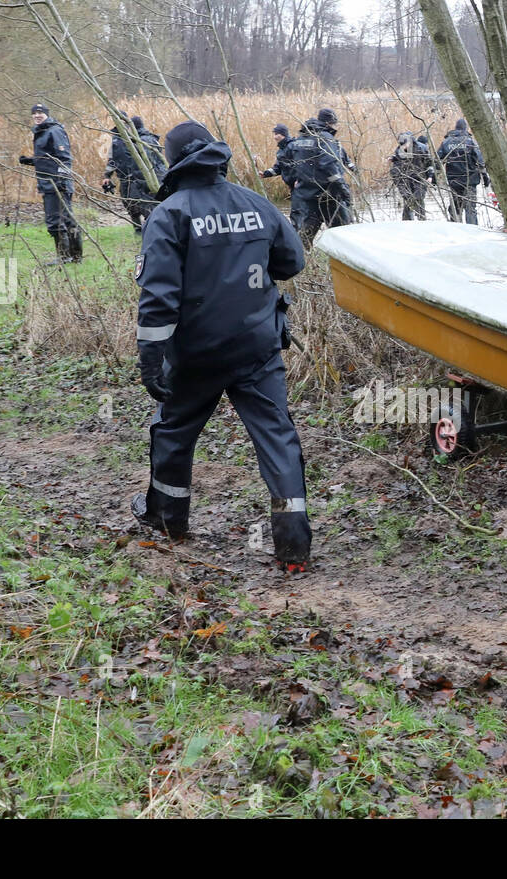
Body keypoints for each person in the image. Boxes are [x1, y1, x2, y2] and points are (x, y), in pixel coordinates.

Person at [130, 119, 311, 571]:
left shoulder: (170, 214)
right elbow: (292, 262)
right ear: (215, 156)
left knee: (172, 432)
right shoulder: (257, 204)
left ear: (173, 163)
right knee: (277, 437)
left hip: (196, 355)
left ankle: (169, 520)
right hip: (258, 347)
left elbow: (158, 298)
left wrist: (150, 361)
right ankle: (293, 544)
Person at [18, 103, 81, 263]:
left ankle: (65, 256)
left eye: (40, 113)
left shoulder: (54, 131)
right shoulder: (42, 132)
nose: (37, 115)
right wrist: (32, 161)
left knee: (56, 221)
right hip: (48, 181)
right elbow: (49, 158)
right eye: (34, 113)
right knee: (66, 219)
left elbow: (64, 158)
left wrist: (61, 180)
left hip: (57, 183)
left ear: (46, 114)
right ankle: (75, 256)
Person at [287, 108, 354, 248]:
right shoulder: (325, 138)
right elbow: (329, 165)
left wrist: (295, 181)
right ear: (330, 123)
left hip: (308, 194)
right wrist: (343, 188)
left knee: (306, 234)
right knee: (343, 233)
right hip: (329, 194)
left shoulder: (302, 138)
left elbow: (290, 162)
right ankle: (341, 263)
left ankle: (301, 262)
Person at [102, 112, 167, 234]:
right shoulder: (116, 139)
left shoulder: (138, 139)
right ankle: (138, 229)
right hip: (125, 178)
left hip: (138, 178)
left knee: (145, 204)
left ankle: (152, 229)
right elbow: (112, 160)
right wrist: (107, 176)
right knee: (129, 204)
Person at [438, 119, 486, 225]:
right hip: (470, 179)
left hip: (453, 180)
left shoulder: (446, 142)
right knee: (470, 209)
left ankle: (455, 232)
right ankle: (473, 233)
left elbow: (437, 160)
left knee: (455, 208)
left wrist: (433, 176)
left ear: (455, 128)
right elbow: (480, 161)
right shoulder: (470, 142)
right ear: (465, 128)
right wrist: (485, 176)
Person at [389, 131, 433, 221]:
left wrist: (430, 176)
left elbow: (429, 163)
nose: (404, 147)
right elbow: (396, 169)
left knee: (419, 198)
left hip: (420, 178)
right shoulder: (399, 150)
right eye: (402, 145)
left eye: (405, 145)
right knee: (408, 200)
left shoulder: (421, 148)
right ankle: (407, 222)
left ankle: (422, 220)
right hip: (406, 179)